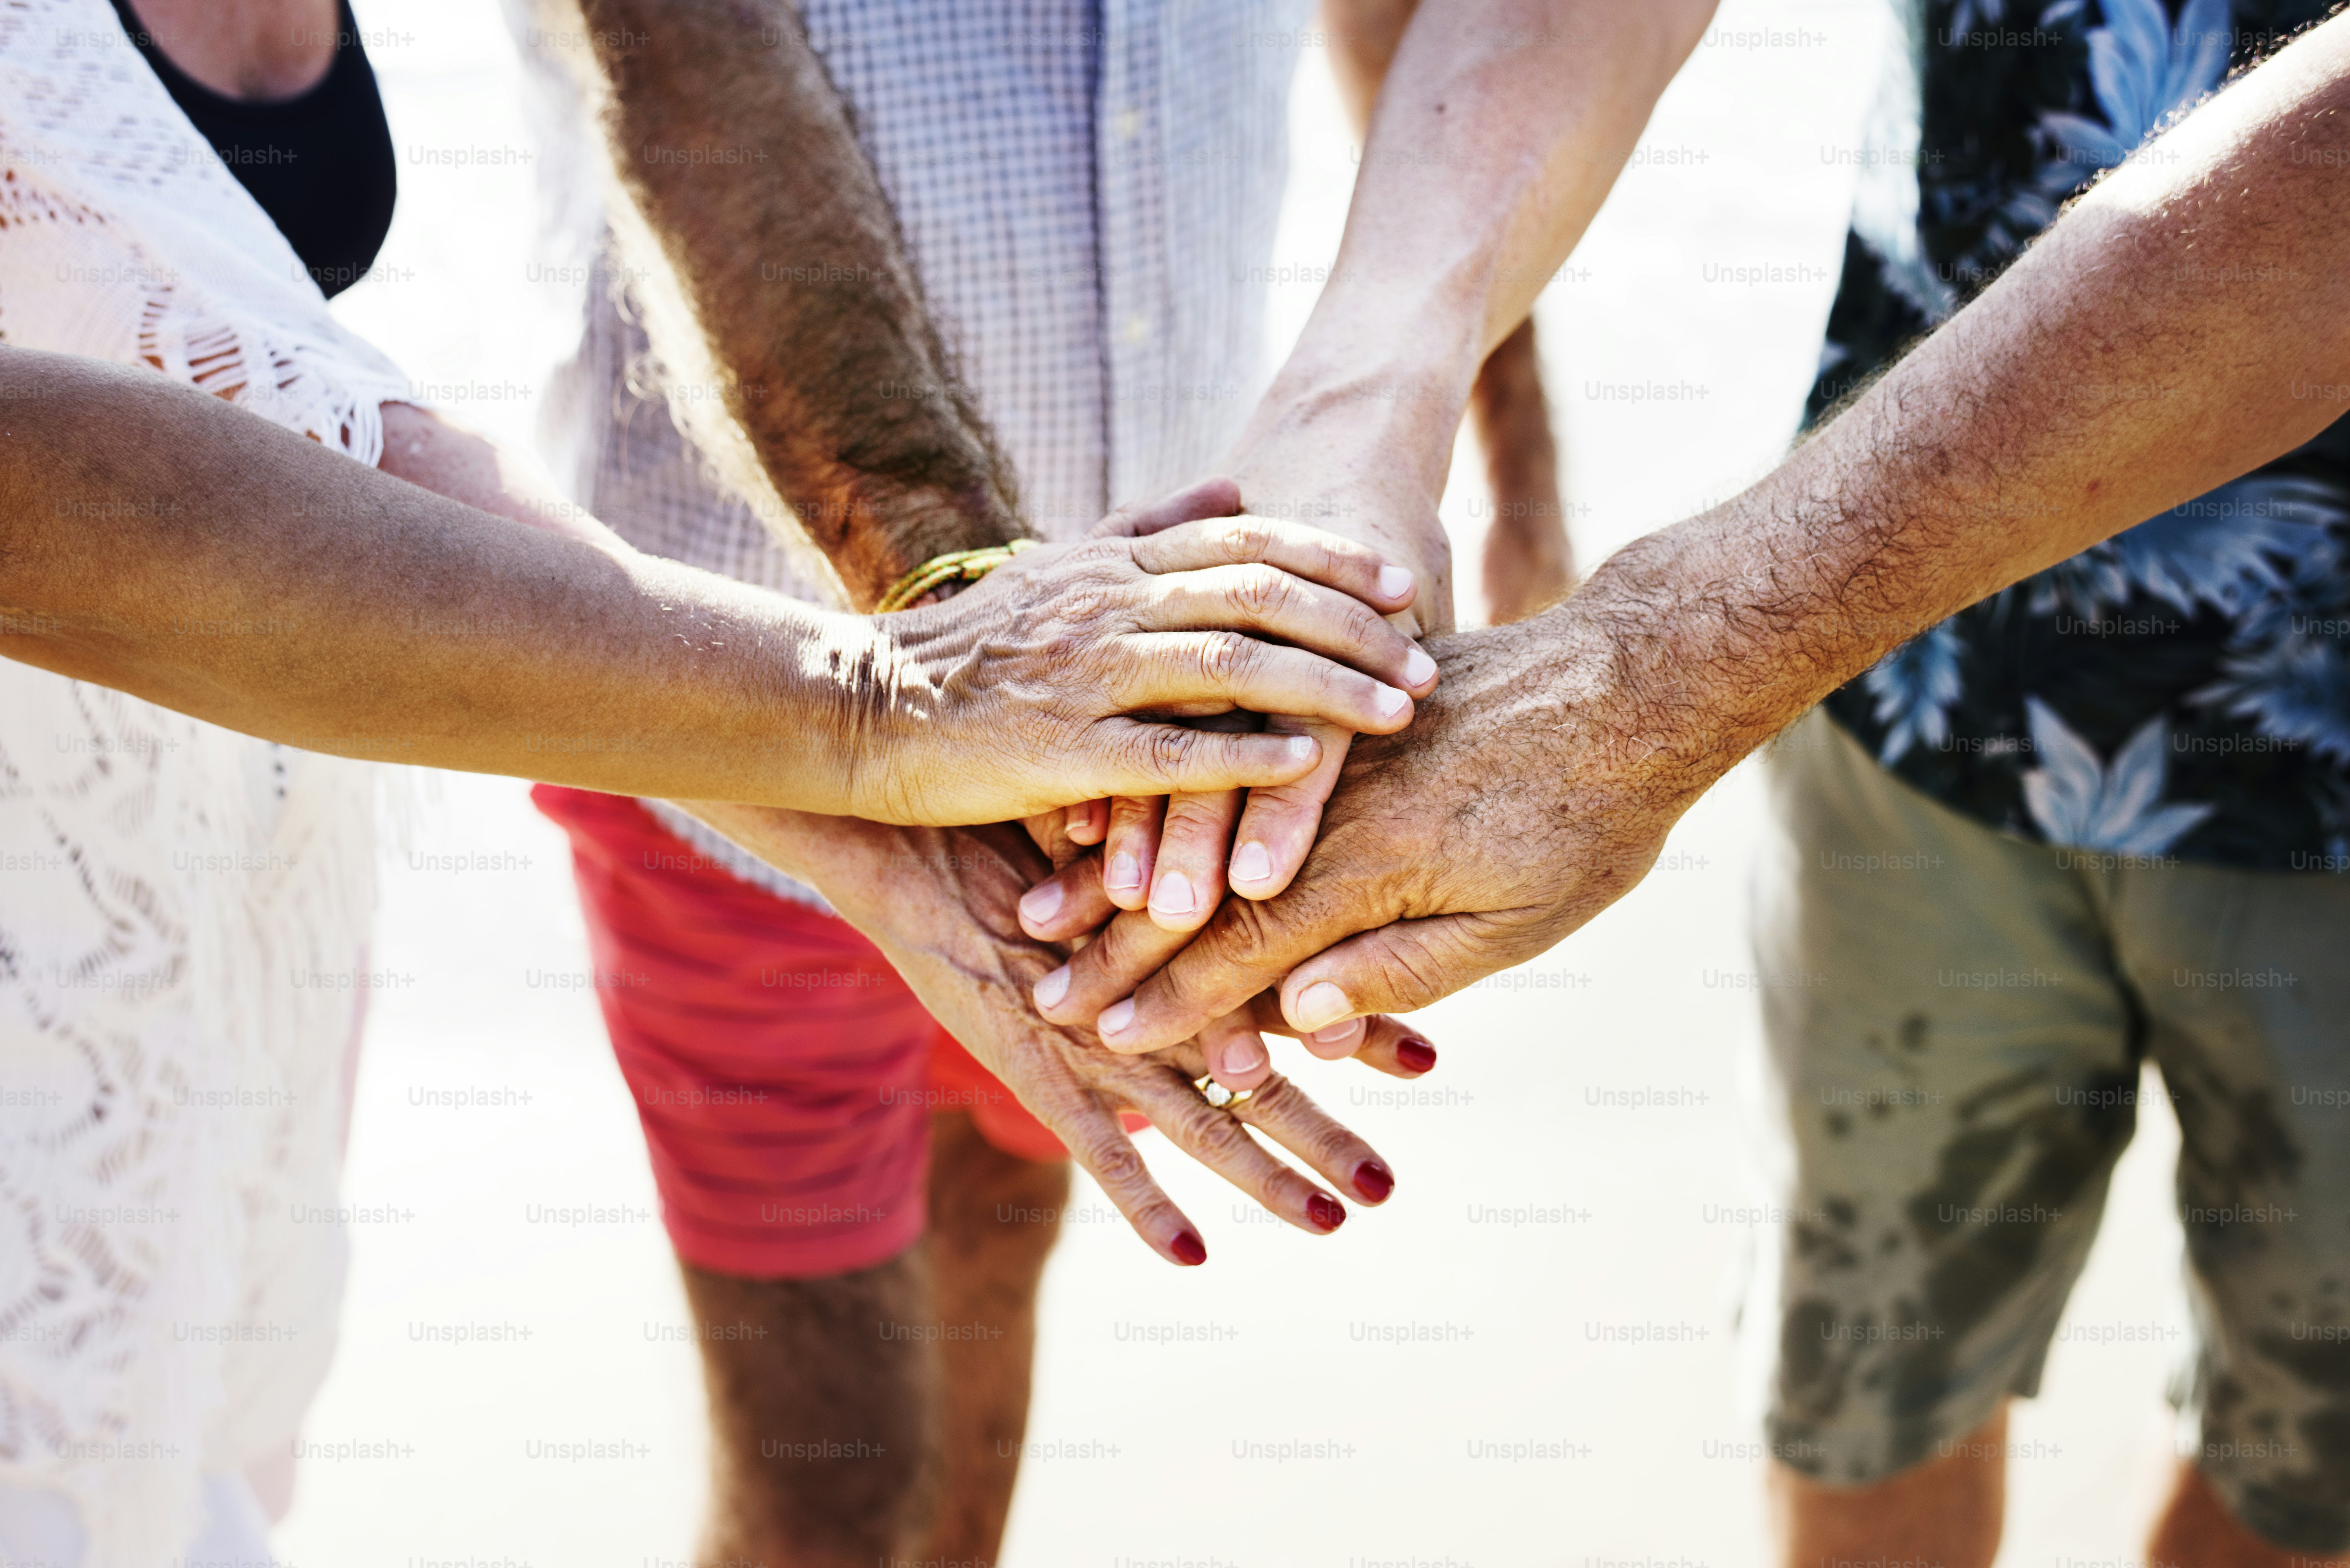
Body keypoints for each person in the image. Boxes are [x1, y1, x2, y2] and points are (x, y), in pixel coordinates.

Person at [0, 4, 1428, 1563]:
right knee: (835, 1473)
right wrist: (877, 704)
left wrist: (886, 777)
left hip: (217, 912)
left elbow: (337, 435)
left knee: (187, 1444)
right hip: (83, 943)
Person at [1037, 9, 2350, 1563]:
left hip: (2268, 718)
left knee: (2306, 1452)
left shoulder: (1696, 653)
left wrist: (1655, 672)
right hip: (1902, 662)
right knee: (1860, 1380)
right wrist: (1360, 403)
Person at [507, 0, 1706, 1560]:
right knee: (834, 1474)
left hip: (1148, 750)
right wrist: (944, 623)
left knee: (991, 1304)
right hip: (745, 724)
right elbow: (686, 56)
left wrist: (1499, 459)